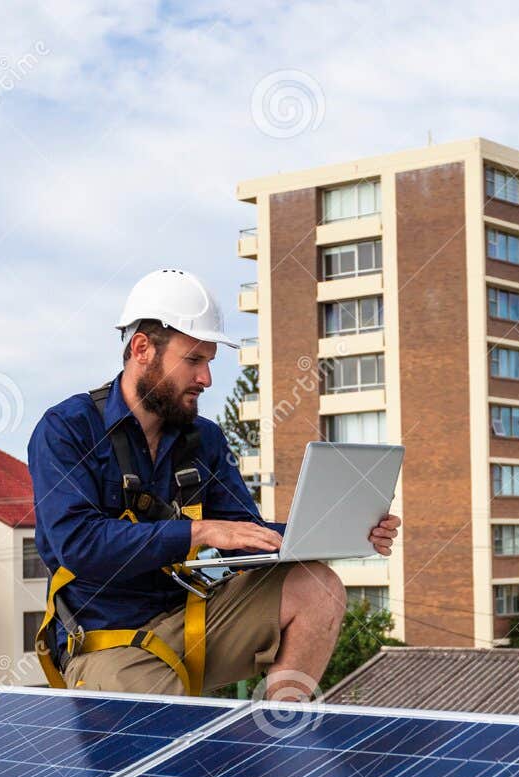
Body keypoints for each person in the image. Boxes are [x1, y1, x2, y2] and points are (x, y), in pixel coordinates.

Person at [27, 268, 399, 699]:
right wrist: (198, 531)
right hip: (108, 641)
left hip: (194, 621)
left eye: (209, 362)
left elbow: (243, 540)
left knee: (319, 588)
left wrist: (339, 530)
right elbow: (79, 545)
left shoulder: (204, 440)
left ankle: (278, 726)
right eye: (193, 361)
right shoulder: (67, 430)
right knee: (167, 733)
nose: (206, 379)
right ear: (142, 349)